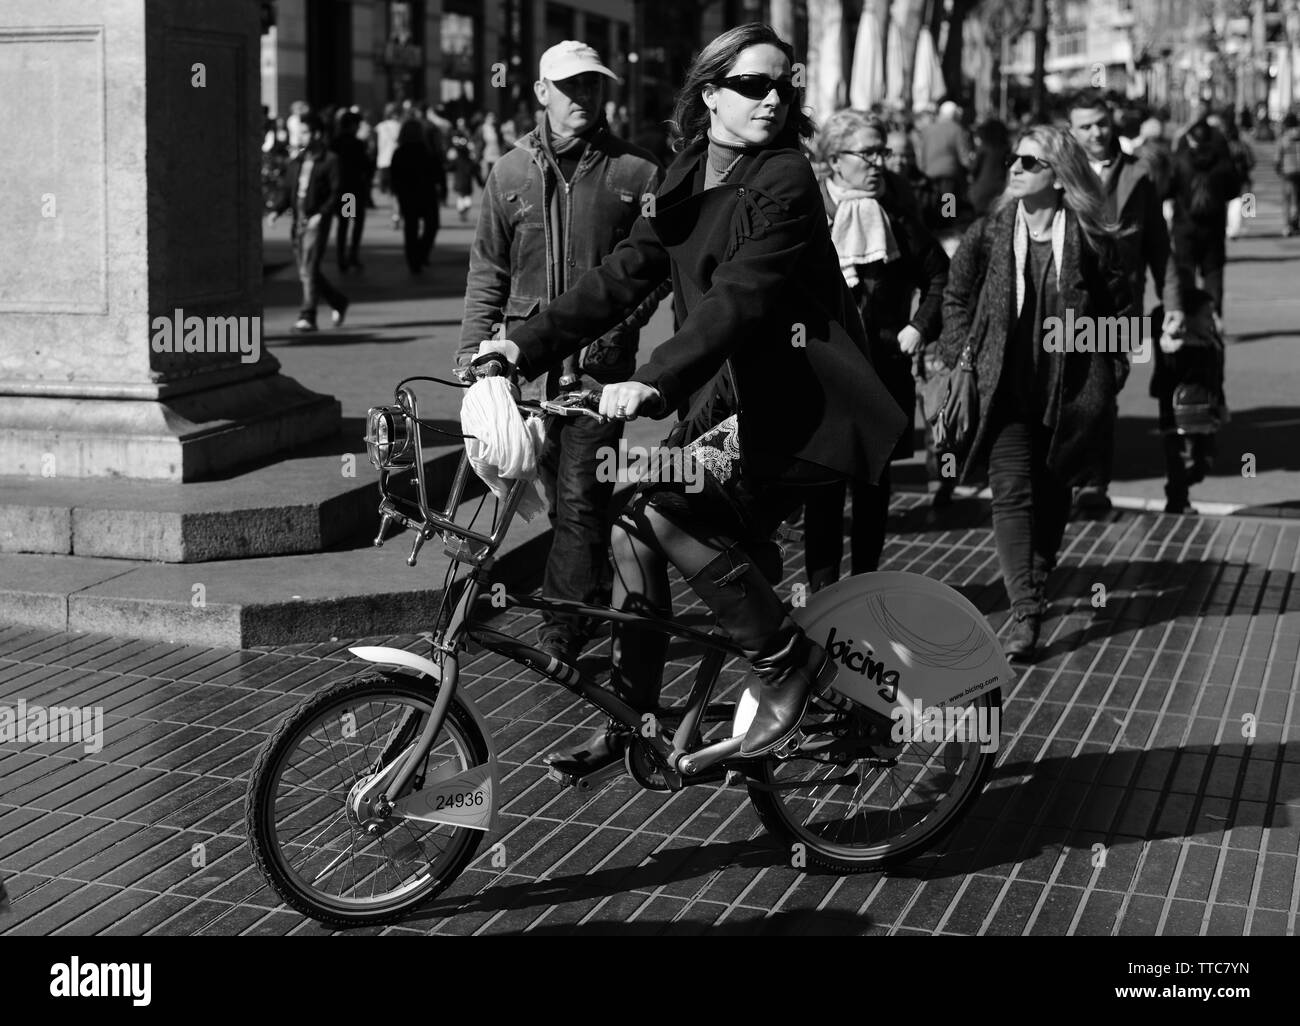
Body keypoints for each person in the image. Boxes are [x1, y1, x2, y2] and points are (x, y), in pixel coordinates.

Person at [473, 23, 908, 768]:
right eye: (752, 85)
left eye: (783, 84)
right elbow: (623, 274)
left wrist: (651, 379)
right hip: (728, 401)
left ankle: (785, 665)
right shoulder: (685, 171)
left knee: (657, 513)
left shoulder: (787, 178)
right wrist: (522, 345)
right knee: (626, 531)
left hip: (801, 407)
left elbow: (740, 297)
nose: (772, 98)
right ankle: (634, 718)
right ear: (710, 93)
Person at [458, 40, 666, 676]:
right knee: (557, 494)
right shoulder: (509, 172)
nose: (585, 98)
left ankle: (562, 633)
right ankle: (594, 592)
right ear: (541, 92)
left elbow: (654, 271)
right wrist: (472, 353)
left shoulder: (637, 173)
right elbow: (487, 269)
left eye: (594, 86)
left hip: (600, 371)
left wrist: (619, 333)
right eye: (571, 87)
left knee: (578, 497)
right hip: (525, 366)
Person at [937, 126, 1133, 662]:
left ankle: (1037, 582)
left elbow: (1122, 311)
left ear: (1061, 178)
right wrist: (963, 357)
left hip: (1068, 393)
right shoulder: (991, 231)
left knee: (1053, 496)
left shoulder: (1092, 238)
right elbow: (955, 296)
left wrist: (1108, 373)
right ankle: (1025, 612)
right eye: (1014, 160)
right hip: (1003, 391)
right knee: (1011, 494)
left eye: (1031, 162)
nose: (1015, 169)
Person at [801, 109, 948, 587]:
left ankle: (865, 588)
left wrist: (919, 326)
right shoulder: (806, 211)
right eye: (867, 152)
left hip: (882, 370)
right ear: (833, 160)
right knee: (822, 491)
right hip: (820, 377)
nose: (878, 162)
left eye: (882, 151)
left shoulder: (898, 215)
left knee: (873, 487)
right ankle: (822, 598)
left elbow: (939, 274)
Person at [1067, 90, 1171, 516]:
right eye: (1085, 126)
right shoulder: (1058, 171)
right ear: (1071, 131)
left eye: (1101, 123)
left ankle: (1092, 481)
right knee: (1070, 391)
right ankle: (1083, 482)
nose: (1095, 132)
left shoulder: (1139, 173)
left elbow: (1158, 245)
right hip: (1068, 304)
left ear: (1113, 124)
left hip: (1121, 303)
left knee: (1107, 391)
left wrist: (1174, 301)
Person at [1149, 289, 1227, 514]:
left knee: (1206, 460)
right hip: (1178, 417)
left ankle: (1179, 489)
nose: (1211, 320)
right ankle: (1177, 500)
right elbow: (1156, 318)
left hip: (1206, 414)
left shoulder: (1212, 343)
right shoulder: (1175, 346)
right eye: (1206, 315)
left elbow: (1217, 378)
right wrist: (1172, 323)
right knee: (1181, 459)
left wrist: (1221, 404)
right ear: (1188, 318)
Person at [271, 113, 349, 333]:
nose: (301, 136)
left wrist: (322, 214)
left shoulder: (330, 160)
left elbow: (338, 193)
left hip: (316, 221)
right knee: (306, 270)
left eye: (305, 131)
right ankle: (337, 300)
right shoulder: (297, 161)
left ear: (317, 134)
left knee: (309, 267)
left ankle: (308, 315)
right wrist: (276, 210)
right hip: (298, 221)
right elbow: (288, 191)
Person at [1168, 120, 1240, 321]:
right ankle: (1214, 317)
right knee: (1213, 274)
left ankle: (1190, 319)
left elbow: (1166, 190)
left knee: (1185, 273)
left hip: (1184, 226)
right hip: (1214, 226)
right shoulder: (1223, 163)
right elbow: (1233, 191)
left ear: (1190, 139)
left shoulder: (1179, 161)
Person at [390, 119, 445, 273]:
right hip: (426, 194)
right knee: (431, 225)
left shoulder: (400, 152)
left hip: (408, 195)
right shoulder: (426, 150)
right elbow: (438, 172)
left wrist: (396, 192)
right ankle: (420, 253)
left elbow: (394, 176)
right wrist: (443, 190)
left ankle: (414, 258)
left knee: (411, 227)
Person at [917, 100, 974, 218]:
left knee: (932, 204)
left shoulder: (928, 129)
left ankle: (934, 225)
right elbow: (964, 157)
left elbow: (921, 151)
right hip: (949, 174)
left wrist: (922, 169)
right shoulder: (957, 129)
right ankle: (948, 226)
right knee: (948, 208)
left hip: (929, 173)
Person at [331, 110, 372, 273]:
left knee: (344, 222)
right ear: (353, 125)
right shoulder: (356, 143)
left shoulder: (335, 142)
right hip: (352, 190)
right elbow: (365, 166)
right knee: (353, 222)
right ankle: (351, 254)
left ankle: (343, 255)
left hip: (341, 188)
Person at [969, 118, 1011, 215]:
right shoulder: (1005, 149)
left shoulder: (983, 148)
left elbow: (974, 168)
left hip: (982, 188)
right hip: (1000, 188)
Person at [447, 117, 481, 221]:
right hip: (459, 167)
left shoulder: (468, 135)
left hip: (466, 167)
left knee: (466, 193)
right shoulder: (455, 135)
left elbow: (471, 148)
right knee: (461, 193)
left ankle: (464, 209)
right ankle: (462, 210)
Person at [375, 103, 402, 226]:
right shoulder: (401, 126)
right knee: (397, 190)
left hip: (383, 162)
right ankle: (396, 213)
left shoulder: (380, 127)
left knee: (390, 191)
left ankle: (394, 213)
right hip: (397, 162)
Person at [1276, 112, 1300, 236]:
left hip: (1288, 172)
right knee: (1298, 199)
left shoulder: (1284, 138)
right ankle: (1295, 223)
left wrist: (1278, 168)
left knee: (1287, 199)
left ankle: (1287, 226)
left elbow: (1277, 157)